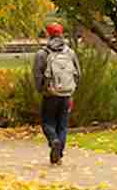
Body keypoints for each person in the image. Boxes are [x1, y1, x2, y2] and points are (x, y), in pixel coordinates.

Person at [31, 23, 80, 165]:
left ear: (48, 34)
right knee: (63, 125)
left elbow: (37, 75)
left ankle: (54, 141)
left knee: (47, 122)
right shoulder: (70, 52)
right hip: (66, 93)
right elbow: (78, 73)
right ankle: (59, 155)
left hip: (50, 94)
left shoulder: (42, 53)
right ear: (61, 34)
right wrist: (72, 89)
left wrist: (41, 90)